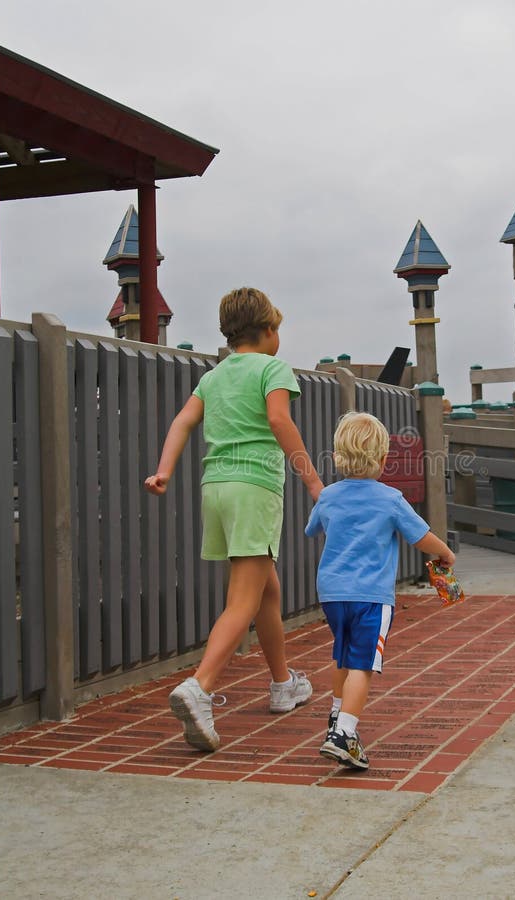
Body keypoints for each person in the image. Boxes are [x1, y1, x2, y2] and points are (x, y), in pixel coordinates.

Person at [145, 287, 324, 752]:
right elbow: (280, 422)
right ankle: (199, 688)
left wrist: (164, 470)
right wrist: (312, 482)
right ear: (267, 331)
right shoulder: (273, 368)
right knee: (242, 599)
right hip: (254, 488)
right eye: (278, 329)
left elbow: (182, 423)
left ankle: (284, 683)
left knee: (267, 587)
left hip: (216, 489)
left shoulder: (215, 377)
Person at [305, 411, 455, 770]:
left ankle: (336, 718)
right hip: (371, 596)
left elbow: (313, 529)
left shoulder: (328, 496)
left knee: (342, 655)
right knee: (363, 664)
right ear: (384, 459)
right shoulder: (390, 499)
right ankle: (345, 734)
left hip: (332, 595)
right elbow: (420, 537)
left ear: (337, 456)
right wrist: (445, 553)